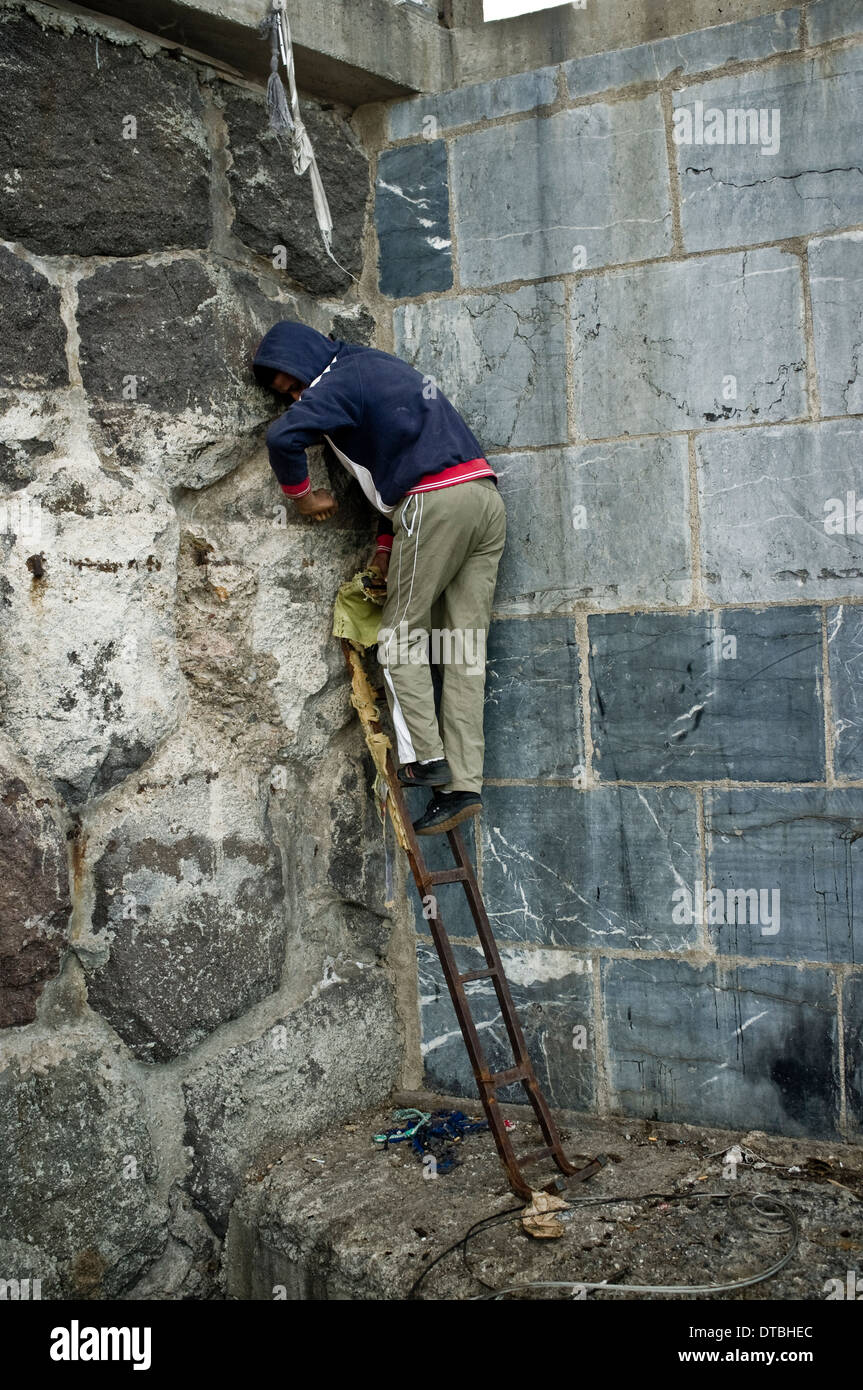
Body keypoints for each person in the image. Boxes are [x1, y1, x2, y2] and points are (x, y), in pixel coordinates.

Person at [253, 320, 506, 835]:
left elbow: (282, 437)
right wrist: (388, 548)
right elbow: (401, 464)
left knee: (397, 639)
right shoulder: (375, 367)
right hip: (482, 499)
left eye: (294, 385)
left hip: (432, 503)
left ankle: (425, 760)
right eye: (288, 395)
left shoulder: (335, 380)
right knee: (462, 649)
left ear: (307, 360)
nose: (298, 398)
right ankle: (463, 787)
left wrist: (301, 494)